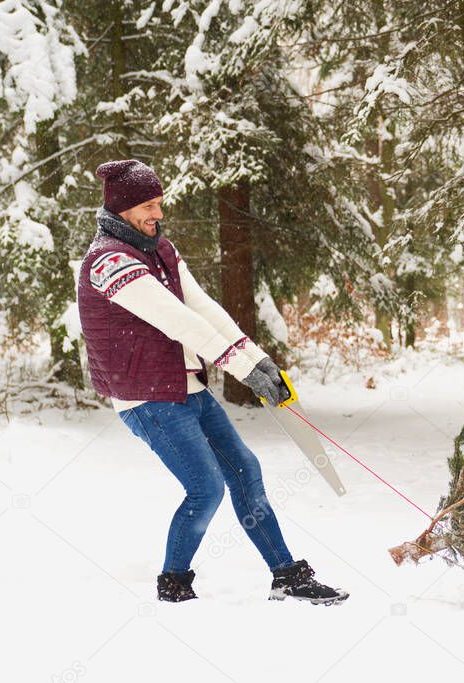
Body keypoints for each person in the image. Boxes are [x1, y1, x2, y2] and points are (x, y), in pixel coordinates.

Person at [76, 159, 348, 605]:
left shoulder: (159, 249)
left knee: (246, 471)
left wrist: (258, 361)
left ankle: (287, 575)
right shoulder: (106, 262)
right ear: (122, 208)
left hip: (188, 387)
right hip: (146, 398)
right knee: (205, 487)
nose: (157, 214)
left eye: (159, 204)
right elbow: (176, 319)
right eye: (148, 205)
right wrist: (240, 370)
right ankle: (174, 582)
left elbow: (201, 307)